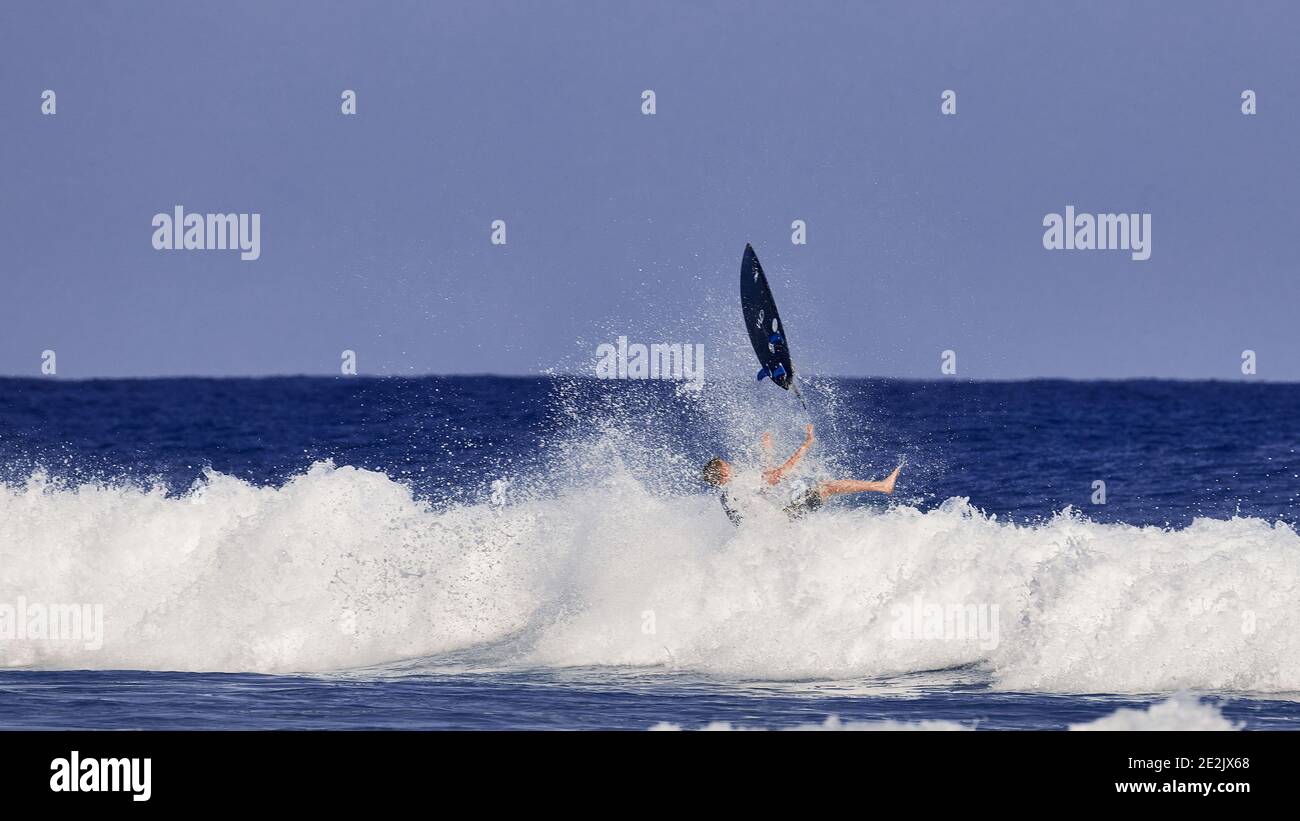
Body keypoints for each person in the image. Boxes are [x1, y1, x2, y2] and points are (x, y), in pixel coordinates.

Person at [700, 424, 902, 525]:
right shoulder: (741, 482)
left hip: (770, 531)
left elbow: (766, 484)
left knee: (818, 490)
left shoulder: (727, 495)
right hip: (784, 521)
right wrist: (806, 444)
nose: (730, 464)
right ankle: (881, 486)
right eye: (726, 464)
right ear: (724, 471)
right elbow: (780, 475)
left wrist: (767, 452)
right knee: (825, 488)